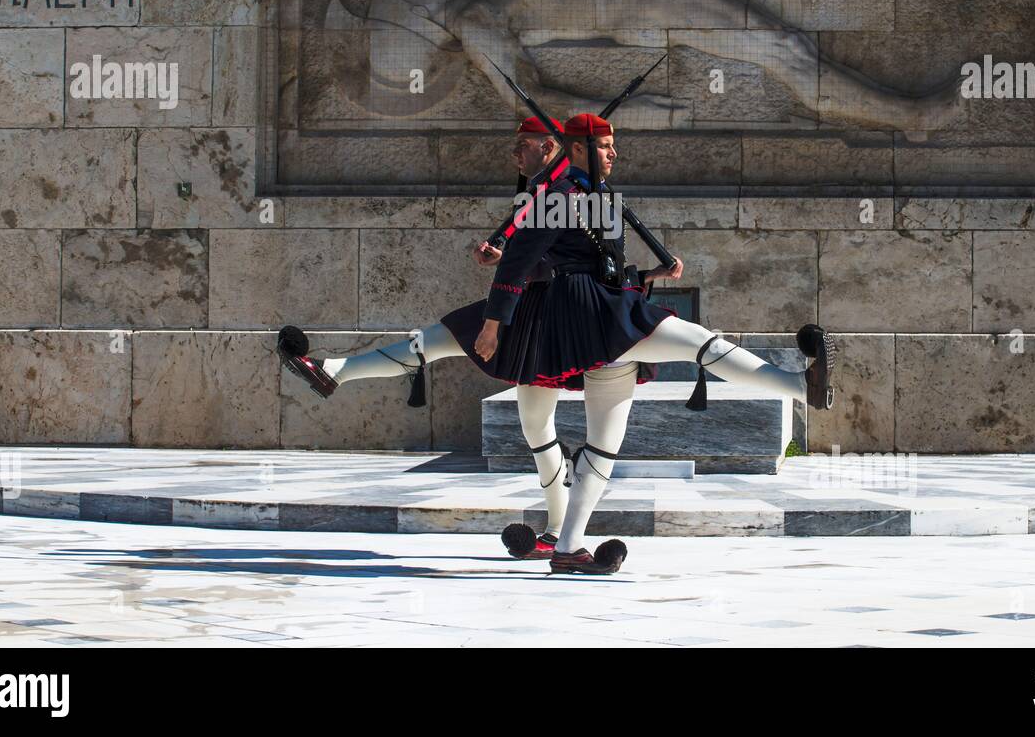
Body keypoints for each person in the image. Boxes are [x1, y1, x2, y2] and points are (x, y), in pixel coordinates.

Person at [280, 114, 836, 575]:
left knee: (454, 351)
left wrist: (647, 275)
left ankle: (562, 539)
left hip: (579, 310)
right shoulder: (563, 191)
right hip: (580, 315)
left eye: (615, 147)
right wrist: (497, 317)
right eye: (607, 146)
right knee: (692, 347)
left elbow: (595, 263)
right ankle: (795, 385)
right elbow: (528, 258)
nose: (614, 155)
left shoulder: (582, 192)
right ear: (573, 147)